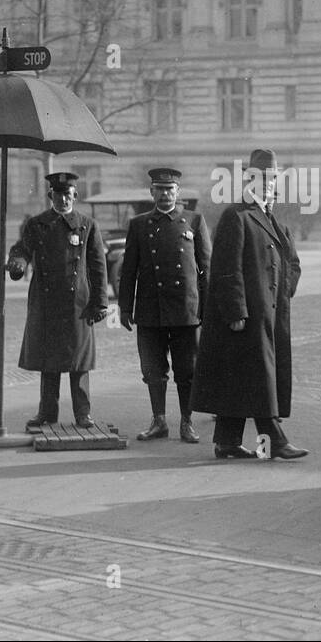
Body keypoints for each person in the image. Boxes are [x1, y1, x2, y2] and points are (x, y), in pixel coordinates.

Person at [190, 148, 307, 460]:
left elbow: (293, 264)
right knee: (259, 378)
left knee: (241, 377)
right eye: (260, 180)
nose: (267, 186)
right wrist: (235, 311)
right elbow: (227, 269)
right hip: (246, 317)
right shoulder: (236, 216)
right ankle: (275, 441)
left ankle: (226, 442)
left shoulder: (273, 221)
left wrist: (282, 292)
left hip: (269, 314)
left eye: (271, 181)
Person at [6, 172, 108, 430]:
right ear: (51, 196)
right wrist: (17, 264)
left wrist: (101, 302)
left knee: (79, 362)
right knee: (48, 362)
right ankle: (47, 413)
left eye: (68, 194)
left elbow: (97, 266)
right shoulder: (37, 224)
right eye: (58, 195)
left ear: (75, 195)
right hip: (46, 301)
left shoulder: (87, 224)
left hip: (79, 305)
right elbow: (22, 249)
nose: (63, 199)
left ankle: (83, 413)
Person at [118, 167, 212, 443]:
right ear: (151, 192)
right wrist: (125, 308)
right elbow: (129, 270)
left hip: (185, 311)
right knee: (153, 371)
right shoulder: (139, 224)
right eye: (159, 189)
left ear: (177, 192)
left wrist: (207, 309)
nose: (165, 194)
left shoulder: (194, 221)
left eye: (169, 189)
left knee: (187, 371)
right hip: (150, 311)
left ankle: (187, 421)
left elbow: (206, 268)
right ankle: (159, 421)